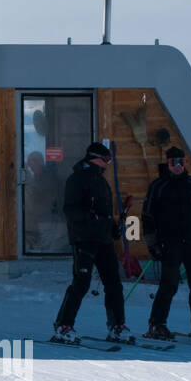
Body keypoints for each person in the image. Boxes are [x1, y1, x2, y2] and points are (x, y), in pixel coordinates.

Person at [53, 141, 130, 343]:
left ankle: (117, 325)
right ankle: (63, 325)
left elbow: (104, 213)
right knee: (81, 283)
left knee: (113, 283)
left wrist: (113, 228)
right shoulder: (77, 179)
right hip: (84, 239)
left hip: (103, 240)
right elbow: (70, 209)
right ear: (96, 158)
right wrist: (91, 218)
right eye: (107, 160)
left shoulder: (101, 181)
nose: (108, 164)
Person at [141, 146, 191, 342]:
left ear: (186, 163)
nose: (178, 166)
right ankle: (157, 324)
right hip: (170, 244)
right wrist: (153, 244)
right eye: (174, 162)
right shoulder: (158, 186)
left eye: (181, 162)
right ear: (168, 163)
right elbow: (147, 218)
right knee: (169, 285)